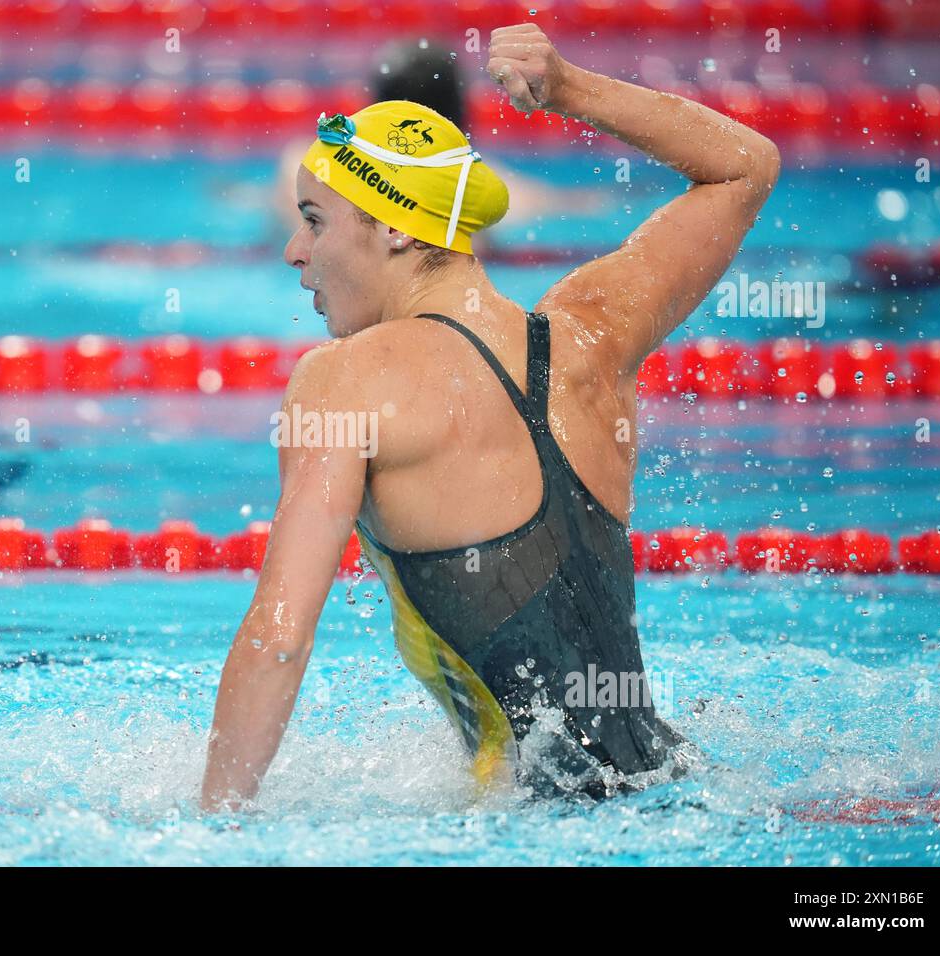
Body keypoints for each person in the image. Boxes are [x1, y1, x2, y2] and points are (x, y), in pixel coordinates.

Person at [200, 23, 780, 811]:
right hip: (671, 786)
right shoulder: (588, 335)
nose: (294, 252)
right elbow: (745, 168)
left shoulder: (343, 383)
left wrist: (208, 829)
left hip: (528, 825)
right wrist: (572, 90)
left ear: (396, 226)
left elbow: (279, 636)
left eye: (315, 220)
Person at [266, 39, 605, 240]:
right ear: (462, 116)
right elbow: (581, 206)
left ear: (374, 109)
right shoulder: (507, 194)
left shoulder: (308, 165)